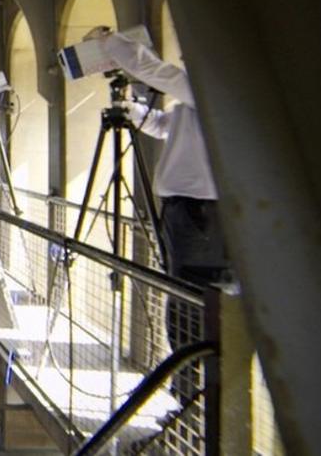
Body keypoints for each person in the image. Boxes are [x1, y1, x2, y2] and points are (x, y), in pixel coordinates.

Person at [92, 27, 231, 402]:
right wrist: (130, 110)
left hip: (200, 215)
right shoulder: (194, 104)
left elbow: (157, 73)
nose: (185, 63)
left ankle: (191, 395)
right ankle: (188, 390)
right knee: (182, 295)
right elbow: (161, 126)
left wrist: (110, 43)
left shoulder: (213, 87)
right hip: (186, 212)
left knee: (187, 300)